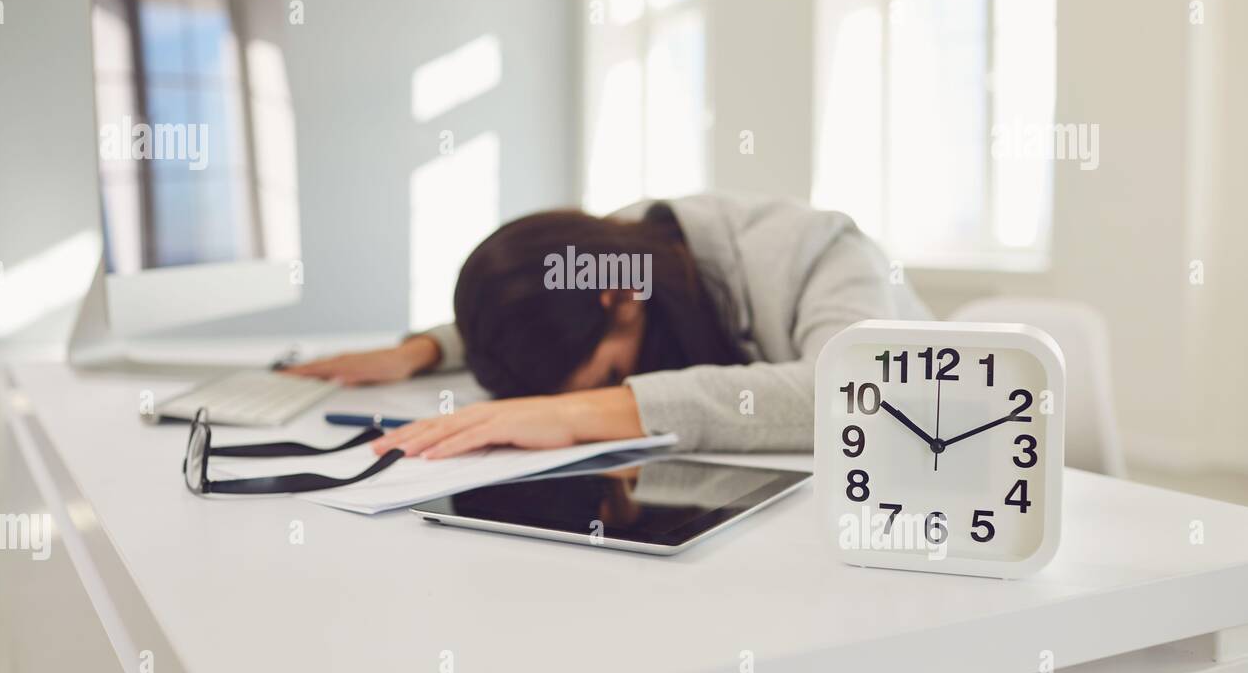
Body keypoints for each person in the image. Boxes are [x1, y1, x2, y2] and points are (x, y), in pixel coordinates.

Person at [284, 193, 930, 458]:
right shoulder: (616, 257)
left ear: (622, 298)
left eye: (612, 374)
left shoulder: (822, 250)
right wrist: (423, 349)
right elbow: (528, 308)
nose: (602, 395)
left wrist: (575, 415)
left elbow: (858, 392)